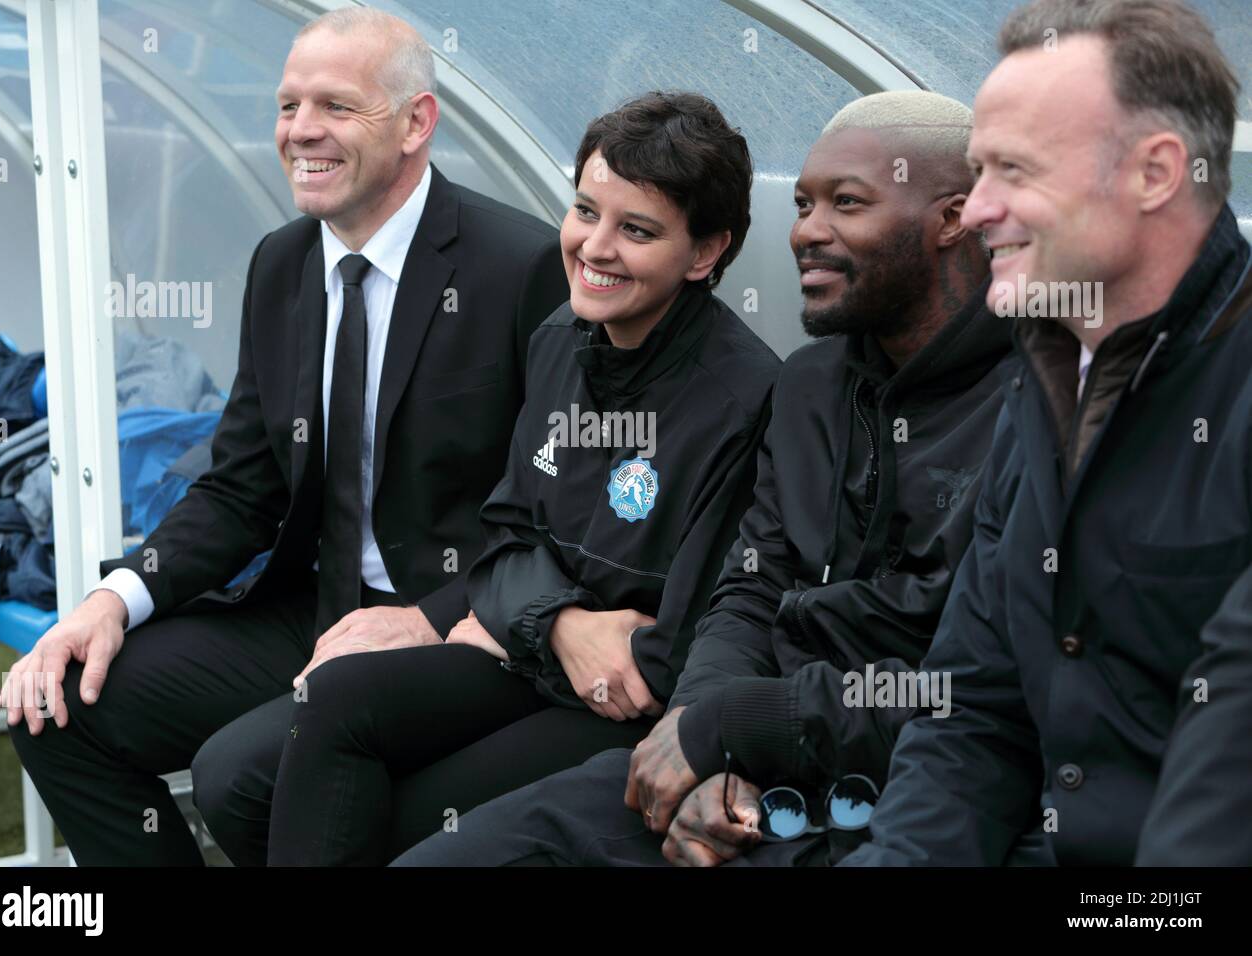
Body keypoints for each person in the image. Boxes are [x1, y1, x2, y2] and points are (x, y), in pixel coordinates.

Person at [0, 8, 568, 866]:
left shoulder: (519, 265)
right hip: (316, 607)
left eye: (337, 106)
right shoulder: (283, 264)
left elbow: (559, 510)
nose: (301, 130)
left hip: (459, 629)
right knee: (55, 704)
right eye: (287, 105)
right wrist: (111, 599)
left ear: (417, 123)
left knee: (241, 776)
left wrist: (429, 616)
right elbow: (241, 487)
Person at [395, 89, 1012, 867]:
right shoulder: (811, 386)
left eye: (846, 204)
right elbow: (751, 589)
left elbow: (967, 690)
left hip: (906, 794)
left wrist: (733, 729)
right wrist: (695, 743)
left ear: (953, 218)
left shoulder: (1033, 410)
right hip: (740, 757)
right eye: (802, 204)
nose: (805, 234)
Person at [253, 91, 780, 865]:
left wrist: (521, 621)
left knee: (416, 820)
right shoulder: (561, 340)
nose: (594, 247)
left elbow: (673, 649)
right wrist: (557, 622)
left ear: (703, 254)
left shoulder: (743, 402)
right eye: (585, 211)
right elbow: (501, 541)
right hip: (539, 655)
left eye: (636, 230)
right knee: (329, 703)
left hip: (620, 708)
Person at [843, 0, 1250, 867]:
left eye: (1014, 171)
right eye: (978, 170)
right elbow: (974, 709)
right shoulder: (1050, 371)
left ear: (1156, 172)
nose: (976, 209)